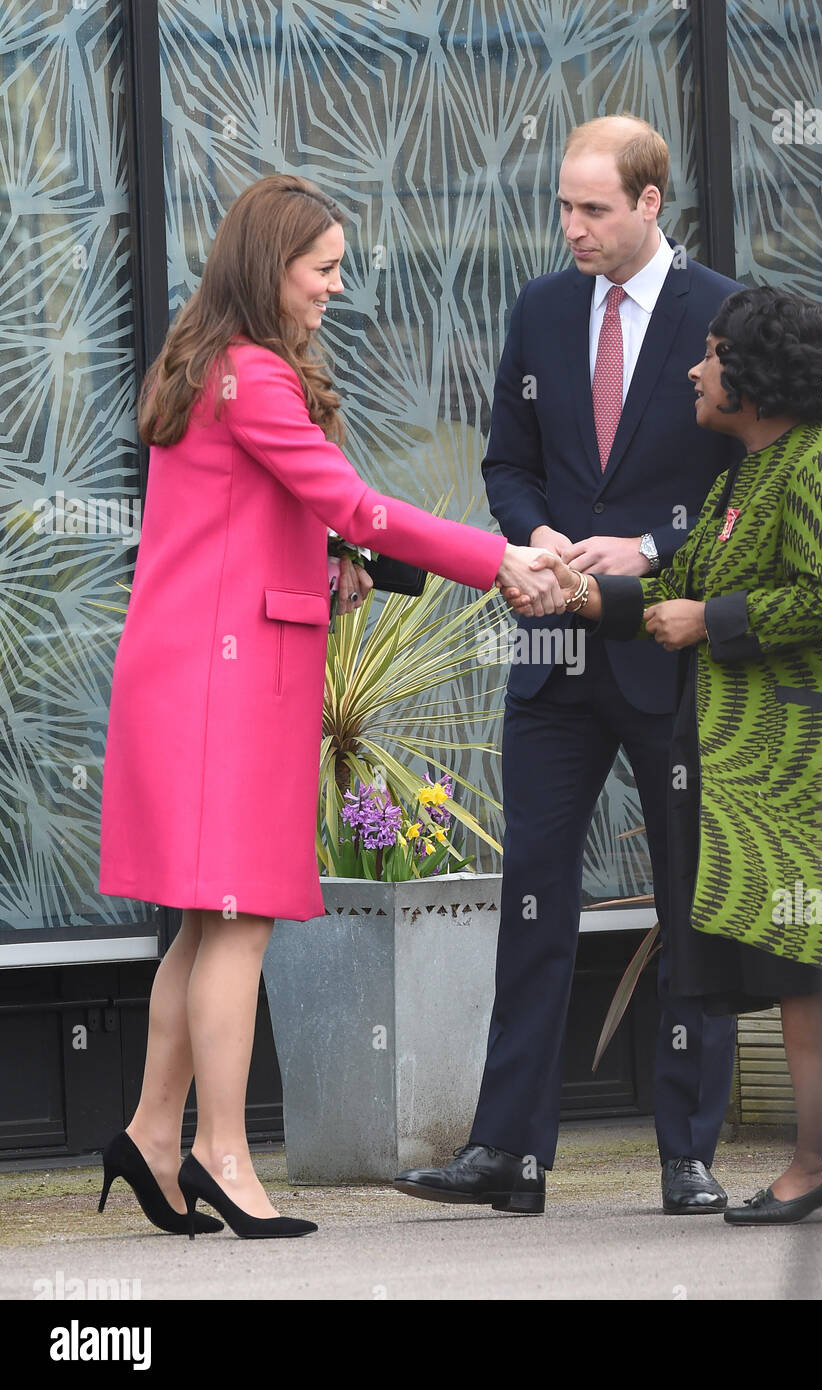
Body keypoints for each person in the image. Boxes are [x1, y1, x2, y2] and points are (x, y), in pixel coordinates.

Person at [96, 173, 560, 1239]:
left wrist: (320, 563)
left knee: (201, 926)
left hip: (191, 671)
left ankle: (153, 1136)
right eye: (321, 270)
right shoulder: (253, 375)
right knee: (240, 917)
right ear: (271, 271)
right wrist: (498, 560)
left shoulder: (196, 362)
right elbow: (352, 502)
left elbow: (241, 519)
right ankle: (219, 1149)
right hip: (227, 681)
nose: (334, 289)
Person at [520, 285, 822, 1224]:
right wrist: (578, 598)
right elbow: (672, 584)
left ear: (759, 380)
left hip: (816, 757)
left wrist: (708, 622)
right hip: (763, 764)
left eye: (711, 353)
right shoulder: (747, 474)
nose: (693, 367)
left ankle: (821, 1156)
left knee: (804, 959)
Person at [392, 115, 742, 1217]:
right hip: (548, 648)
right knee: (532, 897)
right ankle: (509, 1151)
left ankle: (686, 1151)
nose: (572, 227)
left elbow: (747, 484)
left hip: (663, 645)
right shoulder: (541, 308)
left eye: (593, 208)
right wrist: (533, 538)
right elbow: (506, 459)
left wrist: (646, 548)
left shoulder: (723, 311)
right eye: (562, 206)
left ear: (649, 203)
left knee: (691, 902)